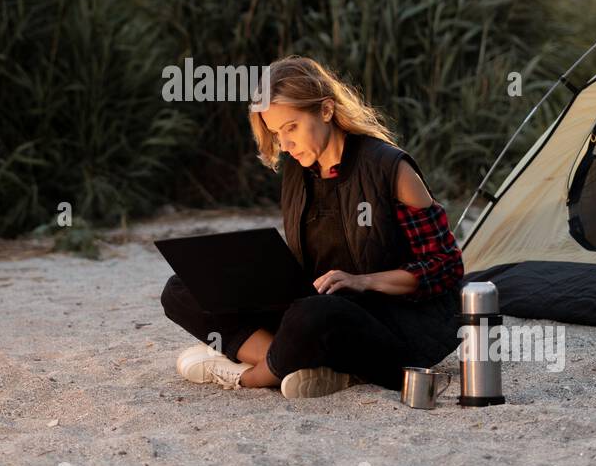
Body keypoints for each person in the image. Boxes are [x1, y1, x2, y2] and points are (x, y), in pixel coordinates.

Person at [159, 55, 465, 398]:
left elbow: (446, 268)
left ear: (326, 110)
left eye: (290, 127)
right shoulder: (298, 171)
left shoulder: (390, 168)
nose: (285, 144)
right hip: (319, 309)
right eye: (276, 133)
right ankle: (296, 360)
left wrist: (362, 282)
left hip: (395, 324)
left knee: (315, 314)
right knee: (182, 288)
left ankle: (249, 376)